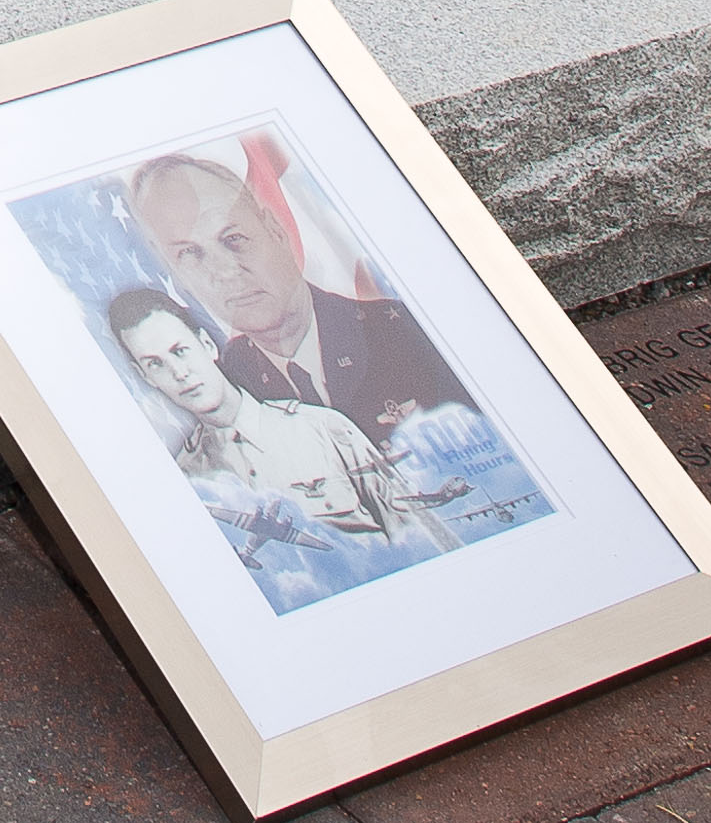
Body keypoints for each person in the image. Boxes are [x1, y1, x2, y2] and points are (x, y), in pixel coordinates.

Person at [123, 149, 460, 443]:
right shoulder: (225, 383)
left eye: (233, 238)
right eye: (190, 253)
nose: (224, 271)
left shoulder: (403, 332)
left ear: (274, 229)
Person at [100, 288, 421, 547]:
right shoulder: (186, 482)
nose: (179, 373)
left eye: (180, 351)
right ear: (146, 378)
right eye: (155, 364)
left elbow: (417, 532)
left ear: (207, 345)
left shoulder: (324, 428)